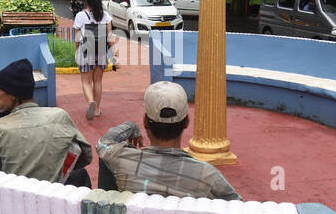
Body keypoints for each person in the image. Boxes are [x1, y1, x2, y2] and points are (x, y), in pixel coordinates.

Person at [96, 81, 241, 201]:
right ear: (187, 122)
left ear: (145, 121)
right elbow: (240, 209)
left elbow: (104, 142)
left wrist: (131, 126)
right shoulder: (208, 176)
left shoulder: (121, 159)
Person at [0, 58, 92, 187]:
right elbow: (86, 156)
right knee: (81, 174)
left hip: (17, 195)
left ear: (13, 94)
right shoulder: (59, 116)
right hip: (55, 192)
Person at [74, 0, 112, 120]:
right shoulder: (106, 16)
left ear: (86, 0)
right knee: (98, 81)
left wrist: (76, 51)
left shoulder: (80, 15)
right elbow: (109, 36)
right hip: (101, 49)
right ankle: (96, 110)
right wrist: (113, 53)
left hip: (86, 50)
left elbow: (78, 37)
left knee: (86, 81)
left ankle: (91, 102)